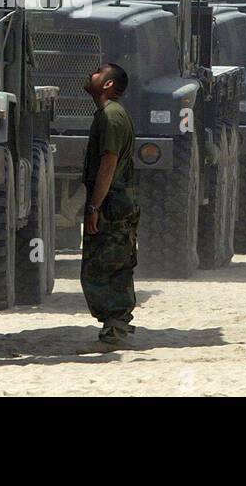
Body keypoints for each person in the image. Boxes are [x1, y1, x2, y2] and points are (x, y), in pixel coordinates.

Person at [80, 63, 139, 346]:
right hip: (112, 203)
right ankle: (114, 328)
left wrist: (94, 207)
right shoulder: (108, 115)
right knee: (101, 265)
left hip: (112, 205)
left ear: (107, 84)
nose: (91, 73)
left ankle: (116, 328)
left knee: (109, 265)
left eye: (98, 72)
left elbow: (108, 163)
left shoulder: (112, 117)